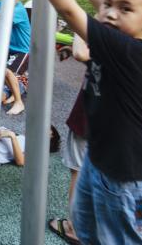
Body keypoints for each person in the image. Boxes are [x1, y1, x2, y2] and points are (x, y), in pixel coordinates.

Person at [9, 0, 142, 244]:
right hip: (99, 161)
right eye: (108, 5)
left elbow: (69, 11)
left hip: (129, 177)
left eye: (125, 8)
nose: (109, 13)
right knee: (85, 229)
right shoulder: (119, 29)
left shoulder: (128, 50)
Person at [49, 34, 90, 245]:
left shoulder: (111, 38)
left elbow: (81, 52)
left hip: (89, 120)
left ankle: (75, 229)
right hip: (115, 124)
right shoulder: (134, 44)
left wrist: (78, 34)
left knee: (79, 171)